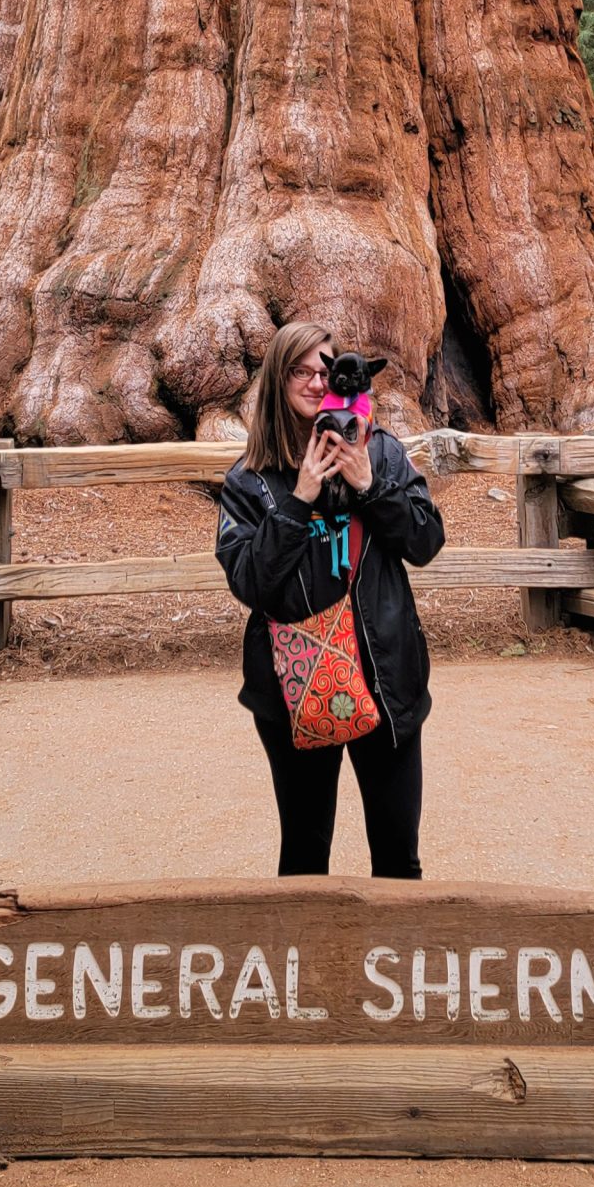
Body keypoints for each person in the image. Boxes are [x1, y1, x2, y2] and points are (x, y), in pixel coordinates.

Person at [215, 320, 444, 879]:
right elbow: (249, 582)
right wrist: (298, 502)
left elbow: (426, 540)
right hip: (295, 687)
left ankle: (393, 962)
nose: (318, 382)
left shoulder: (380, 450)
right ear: (278, 379)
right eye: (302, 370)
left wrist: (372, 486)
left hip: (385, 679)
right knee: (303, 858)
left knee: (398, 860)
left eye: (327, 368)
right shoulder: (249, 481)